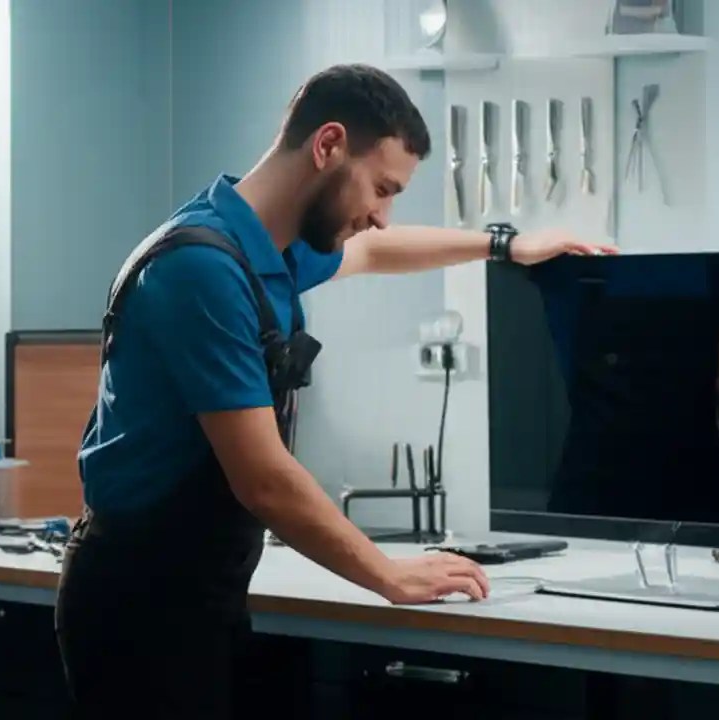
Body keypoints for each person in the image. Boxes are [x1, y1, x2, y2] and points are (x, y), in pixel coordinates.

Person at [54, 63, 617, 718]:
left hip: (201, 590)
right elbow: (264, 480)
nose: (381, 216)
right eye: (381, 188)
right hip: (136, 608)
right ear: (328, 145)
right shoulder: (200, 270)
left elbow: (377, 252)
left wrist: (506, 247)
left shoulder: (262, 249)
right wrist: (389, 573)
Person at [527, 252, 719, 526]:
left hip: (699, 489)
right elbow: (492, 244)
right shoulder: (568, 257)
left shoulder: (706, 258)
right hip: (595, 493)